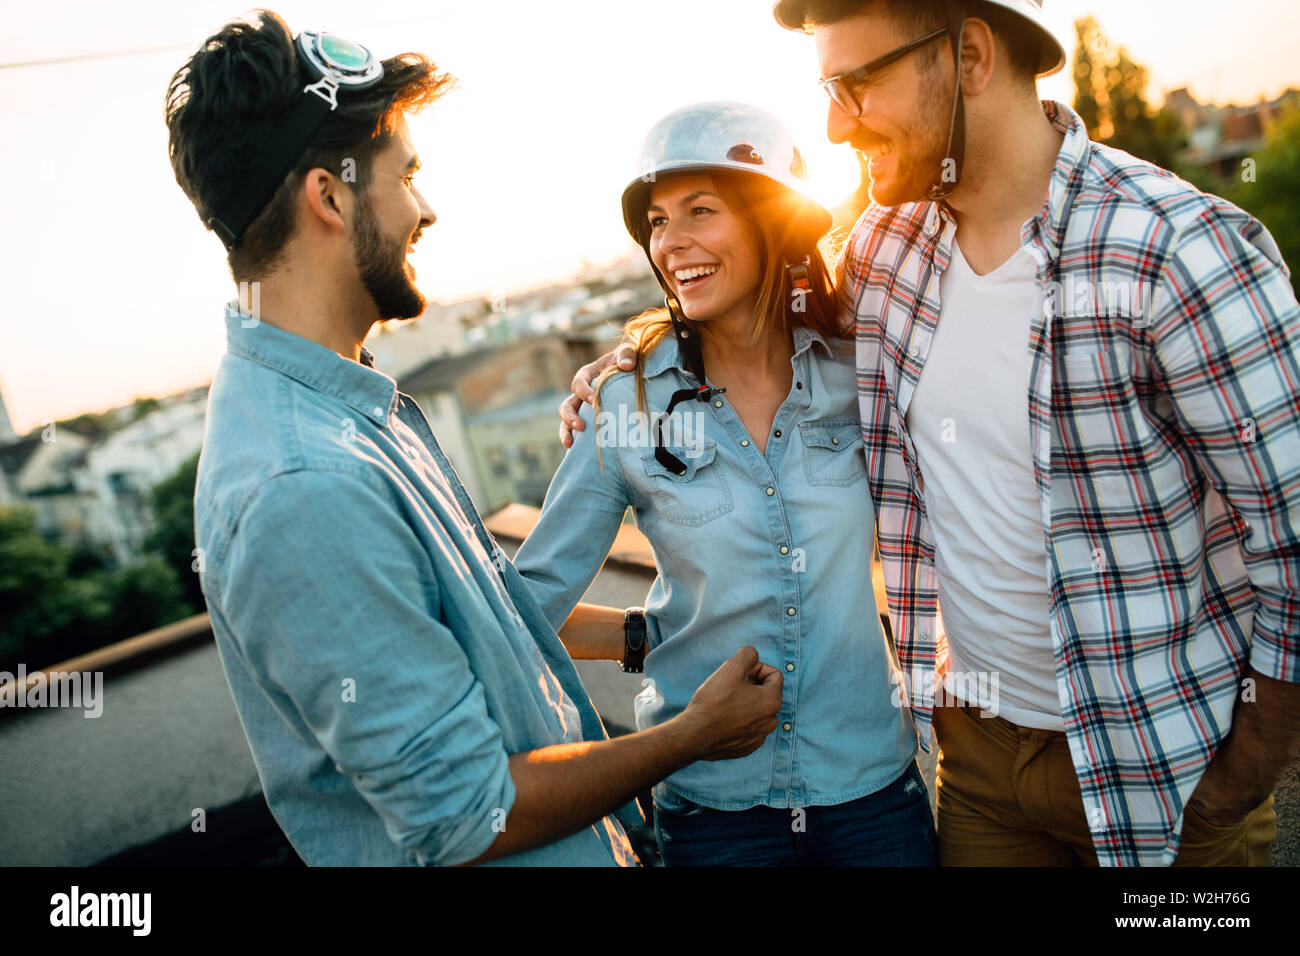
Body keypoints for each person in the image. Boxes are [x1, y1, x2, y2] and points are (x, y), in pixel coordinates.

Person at [559, 0, 1300, 866]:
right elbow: (749, 321)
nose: (836, 126)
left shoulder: (1180, 251)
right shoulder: (885, 253)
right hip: (976, 769)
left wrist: (1249, 766)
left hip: (1163, 765)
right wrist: (636, 358)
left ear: (972, 56)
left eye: (856, 85)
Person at [167, 10, 782, 868]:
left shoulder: (347, 410)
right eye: (406, 174)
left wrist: (652, 635)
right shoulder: (303, 480)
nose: (426, 208)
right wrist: (692, 735)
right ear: (332, 197)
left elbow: (480, 623)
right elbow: (468, 815)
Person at [516, 102, 936, 866]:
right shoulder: (624, 403)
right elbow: (521, 608)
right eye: (656, 221)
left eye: (700, 212)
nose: (671, 244)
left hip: (875, 798)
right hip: (714, 818)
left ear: (772, 222)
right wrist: (641, 639)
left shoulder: (861, 372)